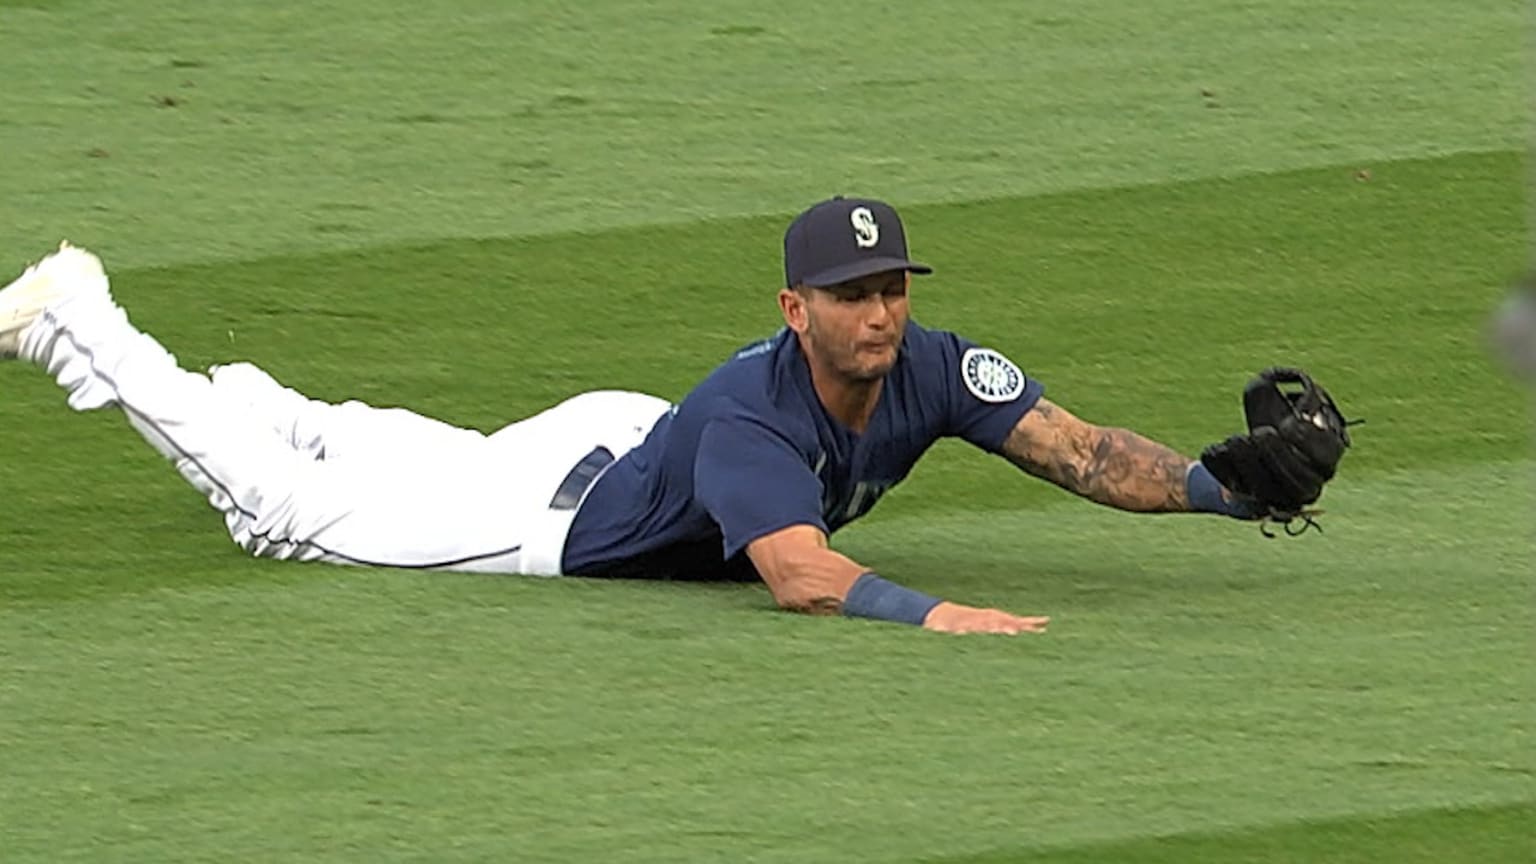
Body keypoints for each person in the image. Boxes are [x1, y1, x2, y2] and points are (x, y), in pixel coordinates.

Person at [0, 197, 1265, 635]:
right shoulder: (755, 425)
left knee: (383, 453)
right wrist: (946, 614)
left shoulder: (928, 364)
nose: (880, 314)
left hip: (620, 437)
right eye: (851, 296)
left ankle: (259, 402)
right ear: (794, 307)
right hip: (558, 506)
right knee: (281, 516)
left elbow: (1083, 451)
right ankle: (81, 320)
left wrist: (1229, 488)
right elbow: (802, 576)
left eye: (891, 289)